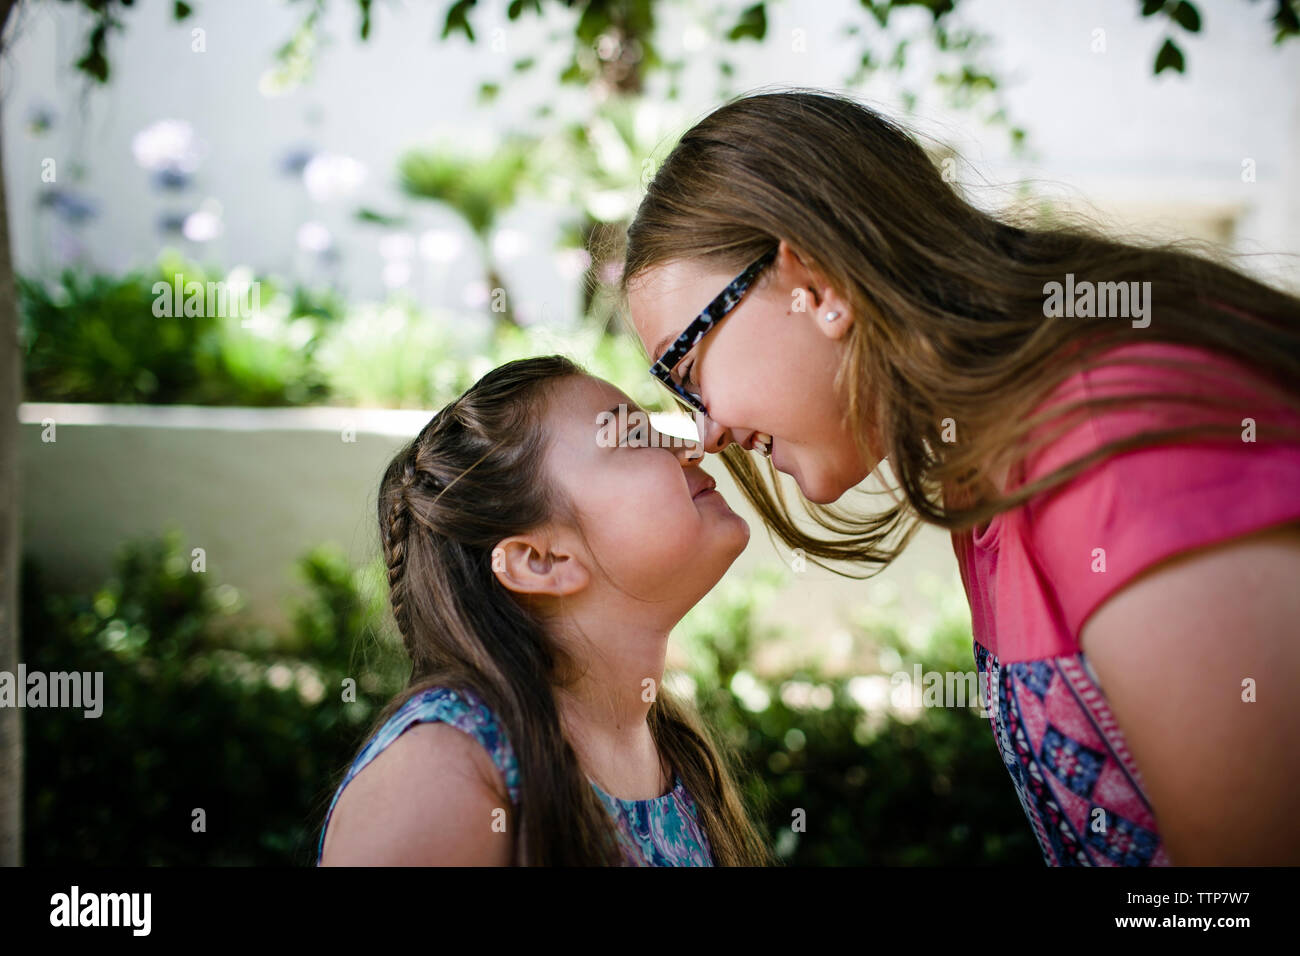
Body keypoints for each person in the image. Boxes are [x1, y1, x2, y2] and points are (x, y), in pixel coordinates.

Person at [620, 87, 1300, 866]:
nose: (707, 430)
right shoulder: (985, 473)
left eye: (689, 367)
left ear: (815, 284)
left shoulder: (1115, 438)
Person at [317, 356, 772, 865]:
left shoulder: (673, 754)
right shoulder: (440, 775)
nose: (693, 446)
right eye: (635, 436)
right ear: (540, 561)